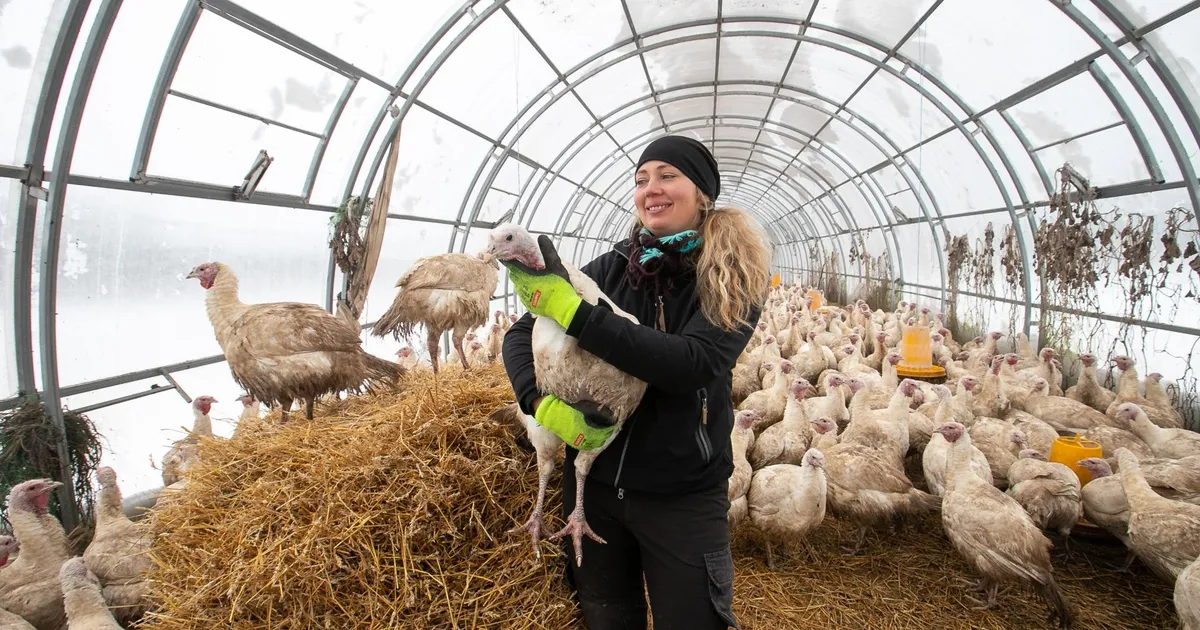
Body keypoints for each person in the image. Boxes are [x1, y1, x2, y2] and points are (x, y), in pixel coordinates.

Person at [501, 134, 772, 630]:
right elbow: (520, 333)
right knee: (605, 618)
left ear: (703, 194)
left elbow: (692, 362)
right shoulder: (611, 267)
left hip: (681, 494)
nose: (652, 189)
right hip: (594, 486)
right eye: (642, 179)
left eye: (669, 175)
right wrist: (536, 401)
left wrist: (581, 318)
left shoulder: (731, 276)